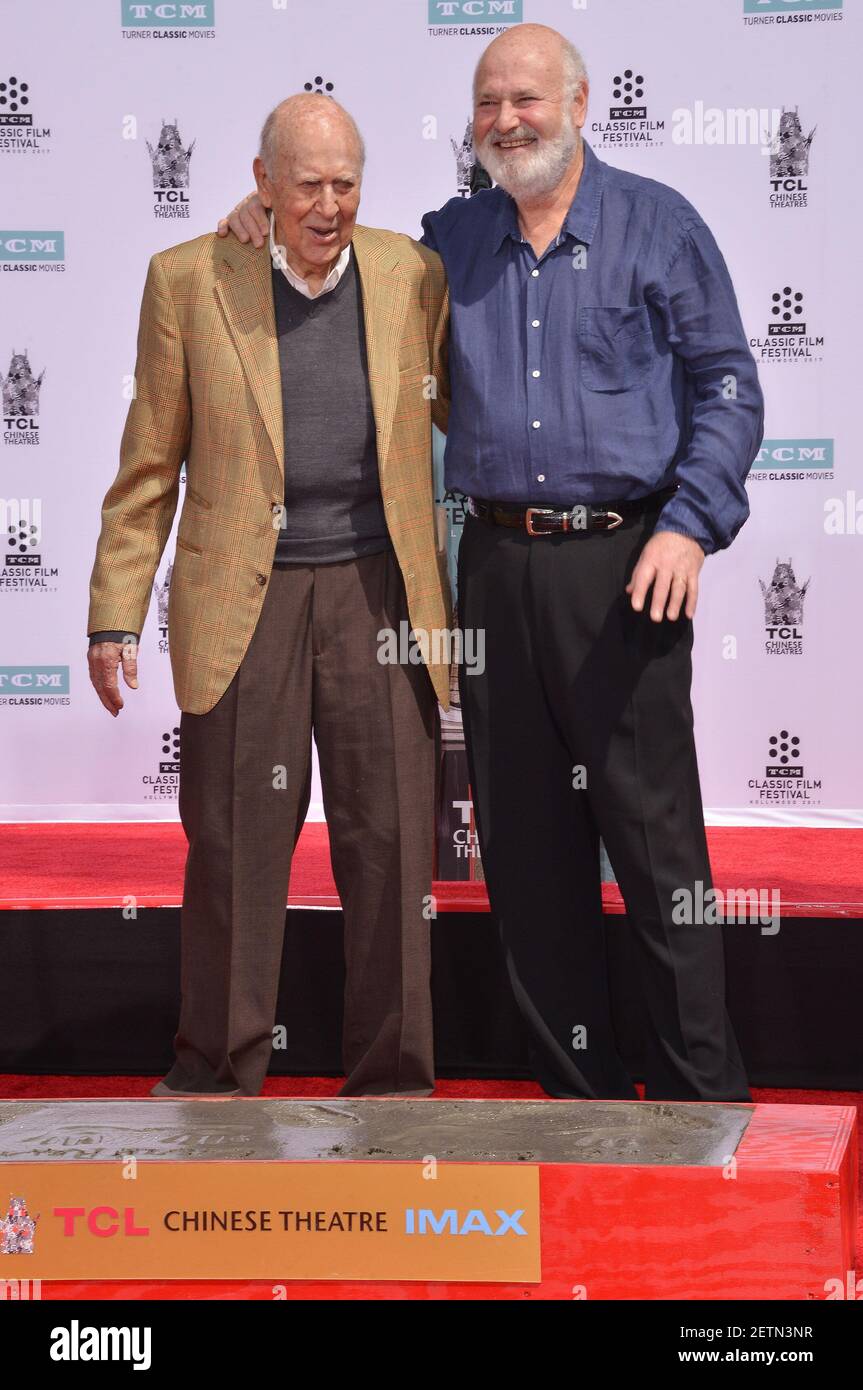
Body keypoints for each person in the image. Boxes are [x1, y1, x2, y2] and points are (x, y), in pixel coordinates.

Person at [219, 23, 764, 1102]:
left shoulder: (658, 227)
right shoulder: (449, 241)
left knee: (655, 852)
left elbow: (729, 387)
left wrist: (688, 524)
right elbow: (336, 258)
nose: (505, 119)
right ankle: (579, 1100)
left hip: (623, 567)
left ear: (577, 101)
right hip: (492, 572)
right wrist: (255, 221)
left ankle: (702, 1107)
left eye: (524, 98)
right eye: (486, 103)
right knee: (524, 858)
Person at [88, 94, 451, 1098]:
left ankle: (392, 1086)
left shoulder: (410, 274)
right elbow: (149, 465)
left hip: (378, 593)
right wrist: (115, 609)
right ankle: (215, 1072)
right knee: (236, 852)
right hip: (243, 600)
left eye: (345, 184)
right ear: (261, 183)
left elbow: (462, 404)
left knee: (387, 851)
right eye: (305, 186)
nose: (327, 206)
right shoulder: (189, 280)